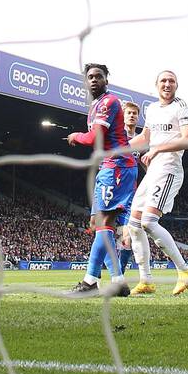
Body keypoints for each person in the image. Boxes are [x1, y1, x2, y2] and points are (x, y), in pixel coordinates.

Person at [126, 70, 188, 296]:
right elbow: (145, 138)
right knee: (134, 225)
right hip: (153, 170)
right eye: (163, 81)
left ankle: (184, 270)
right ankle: (146, 280)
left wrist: (157, 149)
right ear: (156, 85)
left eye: (171, 81)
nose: (167, 84)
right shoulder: (152, 109)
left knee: (148, 221)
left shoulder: (182, 107)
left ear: (177, 85)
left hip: (168, 169)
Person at [66, 64, 135, 297]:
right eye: (90, 77)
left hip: (117, 166)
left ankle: (90, 281)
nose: (94, 80)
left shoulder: (109, 102)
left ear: (107, 80)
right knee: (98, 224)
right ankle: (118, 281)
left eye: (99, 76)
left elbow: (94, 138)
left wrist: (75, 136)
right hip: (109, 166)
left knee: (105, 223)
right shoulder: (95, 105)